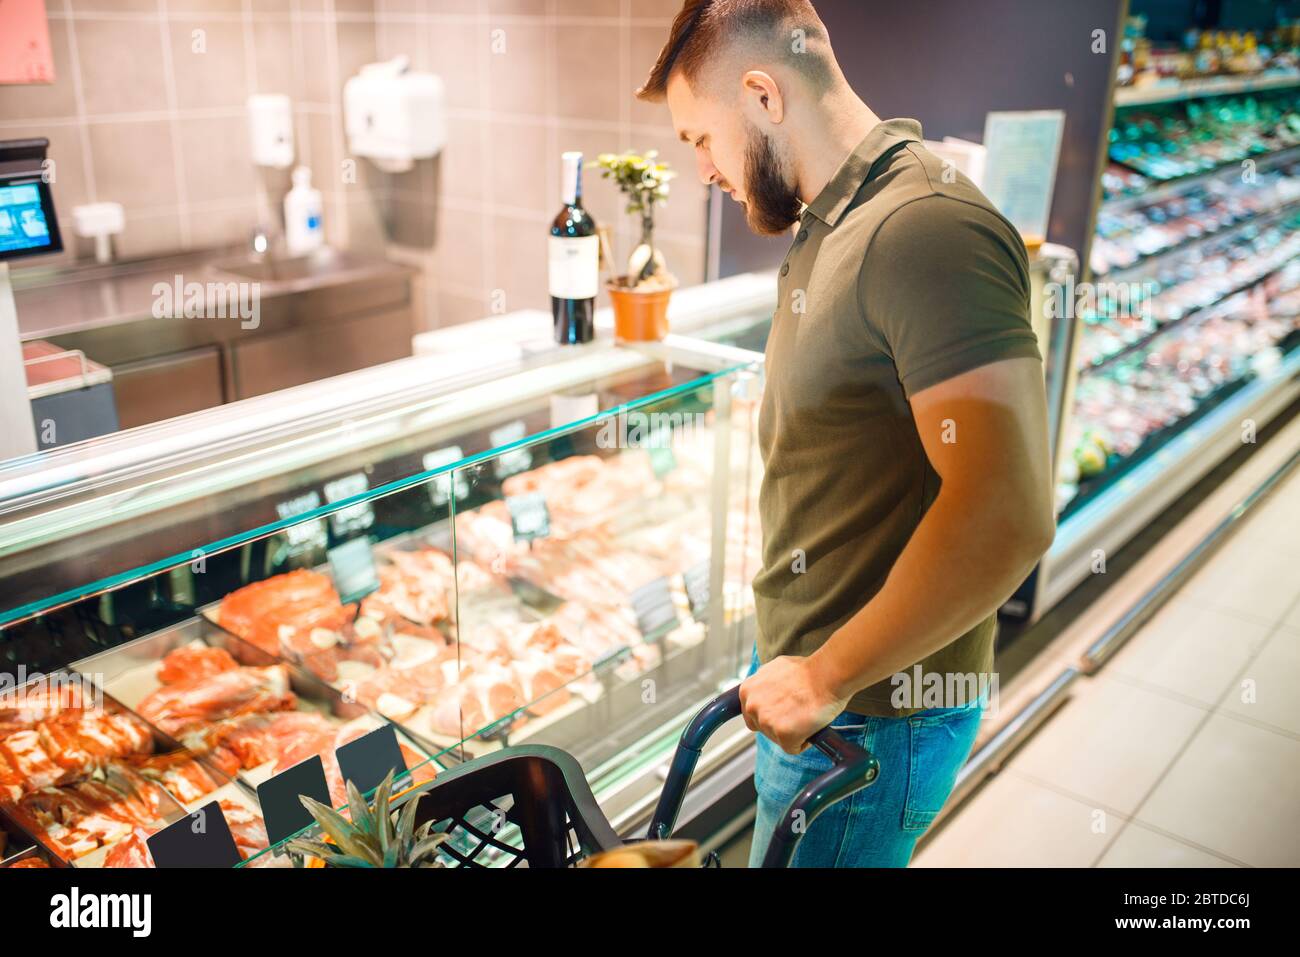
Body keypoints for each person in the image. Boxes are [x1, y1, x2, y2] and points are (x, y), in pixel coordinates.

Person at [636, 0, 1056, 866]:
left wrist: (825, 674)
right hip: (824, 696)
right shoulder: (833, 219)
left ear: (762, 94)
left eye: (699, 142)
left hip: (867, 723)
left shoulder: (924, 230)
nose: (704, 172)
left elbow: (1009, 509)